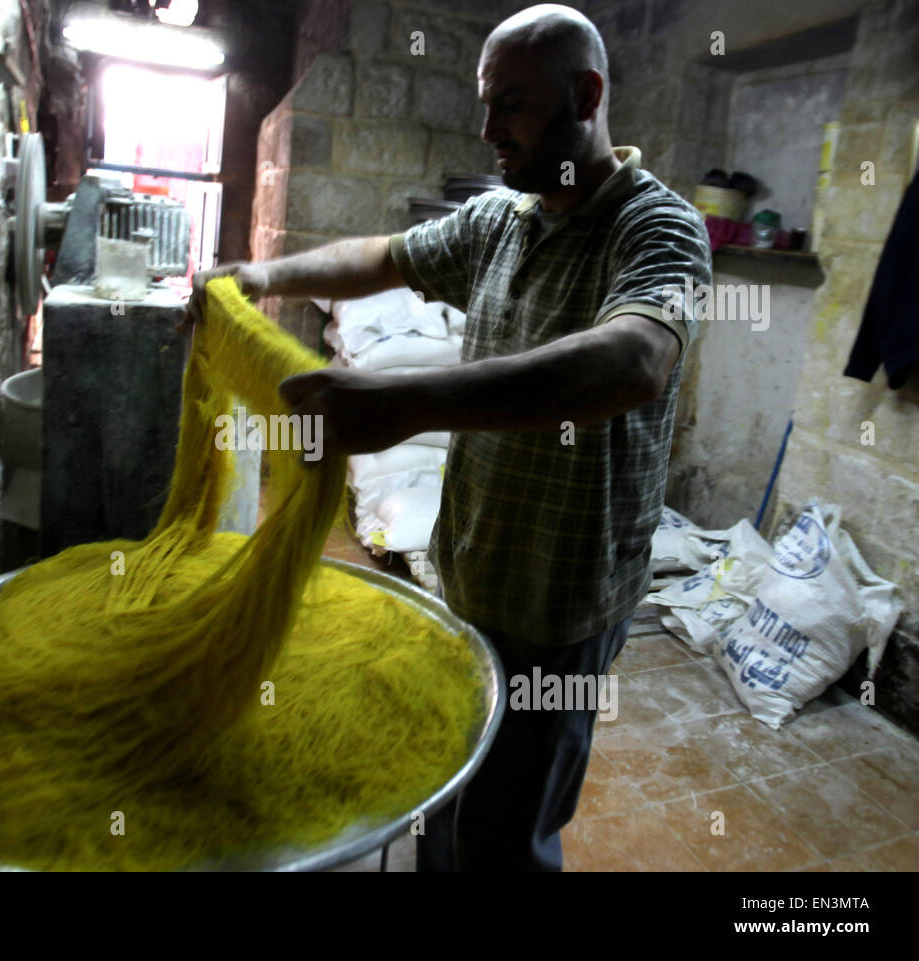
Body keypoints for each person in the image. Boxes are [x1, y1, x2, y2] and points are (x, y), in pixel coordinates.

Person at [185, 3, 711, 871]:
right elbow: (383, 257)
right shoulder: (503, 219)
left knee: (510, 829)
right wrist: (260, 274)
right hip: (471, 568)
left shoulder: (655, 229)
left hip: (561, 599)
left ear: (586, 95)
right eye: (485, 103)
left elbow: (634, 359)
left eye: (511, 104)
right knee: (450, 784)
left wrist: (406, 402)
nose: (486, 130)